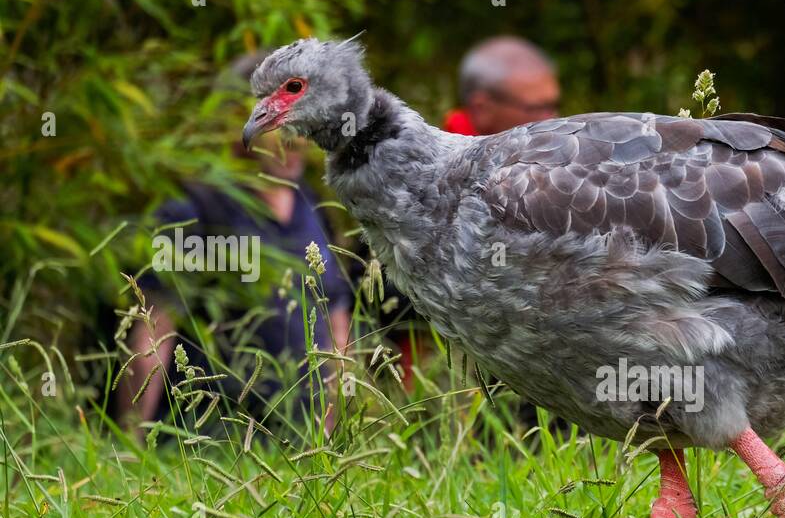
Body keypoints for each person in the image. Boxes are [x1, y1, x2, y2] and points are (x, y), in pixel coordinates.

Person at [117, 54, 353, 441]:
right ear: (235, 118)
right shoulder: (191, 209)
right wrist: (129, 445)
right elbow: (152, 333)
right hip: (203, 450)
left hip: (299, 455)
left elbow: (336, 326)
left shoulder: (314, 205)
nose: (294, 134)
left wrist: (331, 432)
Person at [391, 37, 560, 392]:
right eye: (538, 108)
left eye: (554, 106)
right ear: (482, 108)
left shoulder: (553, 182)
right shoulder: (417, 199)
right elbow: (403, 339)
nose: (553, 121)